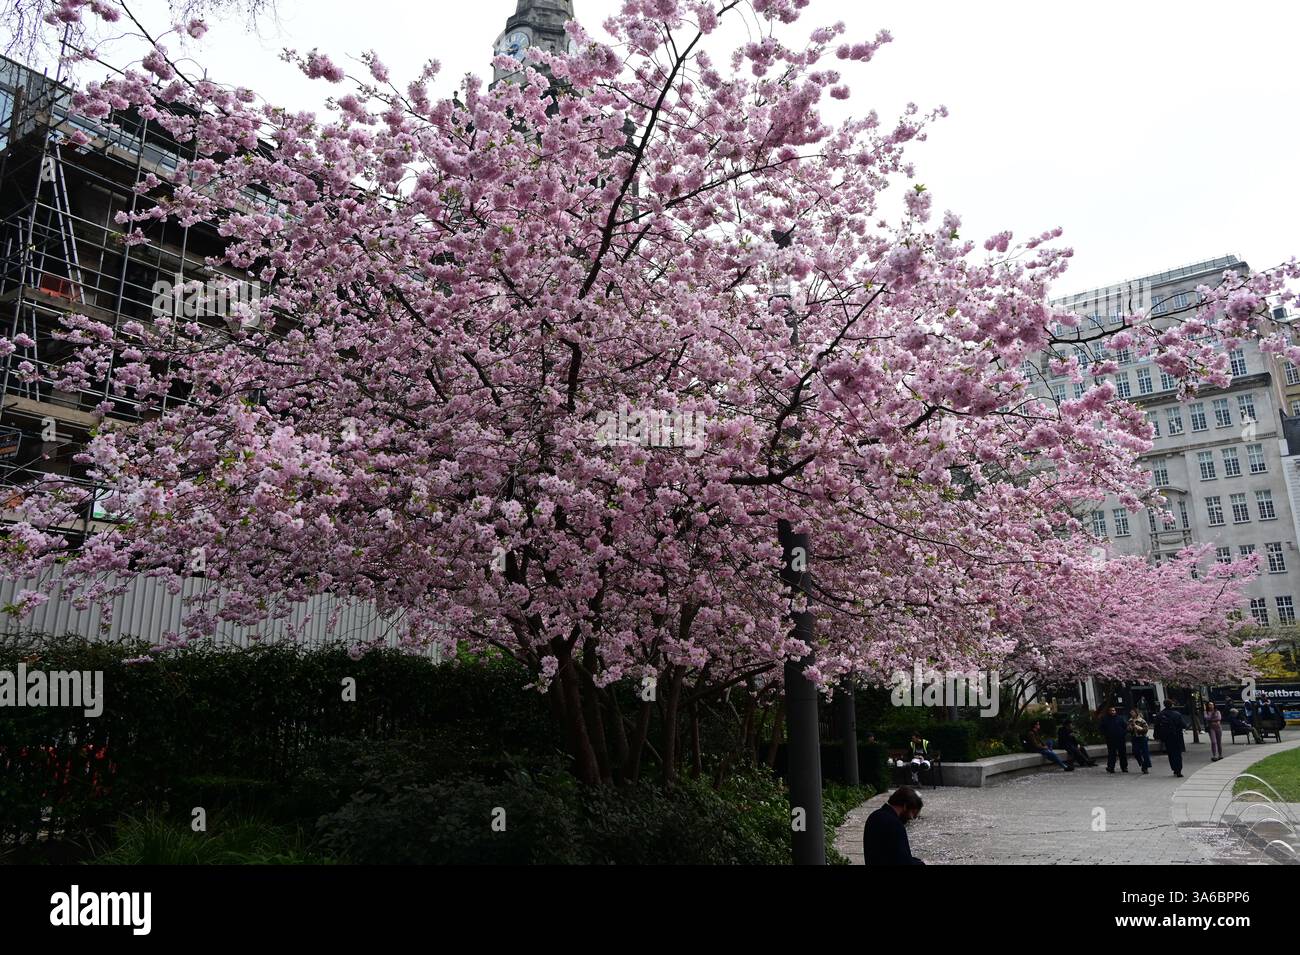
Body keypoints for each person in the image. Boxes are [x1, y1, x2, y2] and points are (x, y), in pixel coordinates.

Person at [863, 786, 925, 865]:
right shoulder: (895, 825)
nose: (911, 818)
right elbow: (903, 861)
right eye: (912, 813)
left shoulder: (874, 816)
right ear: (905, 806)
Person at [1153, 699, 1188, 777]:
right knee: (1178, 753)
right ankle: (1178, 769)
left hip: (1167, 737)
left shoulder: (1160, 715)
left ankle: (1174, 768)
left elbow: (1156, 727)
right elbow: (1183, 725)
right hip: (1177, 736)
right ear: (1171, 705)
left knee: (1171, 753)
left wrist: (1156, 736)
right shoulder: (1177, 714)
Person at [1099, 706, 1129, 773]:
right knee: (1112, 754)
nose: (1113, 712)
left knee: (1122, 754)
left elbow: (1125, 726)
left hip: (1120, 739)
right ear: (1108, 711)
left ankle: (1124, 767)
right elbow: (1101, 728)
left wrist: (1123, 733)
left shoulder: (1119, 718)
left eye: (1114, 710)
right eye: (1111, 710)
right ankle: (1111, 767)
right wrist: (1106, 735)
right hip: (1111, 739)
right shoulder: (1105, 719)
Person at [1127, 707, 1152, 774]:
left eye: (1132, 712)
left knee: (1145, 753)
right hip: (1134, 738)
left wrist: (1138, 728)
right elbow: (1128, 730)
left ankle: (1145, 767)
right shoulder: (1130, 721)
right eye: (1131, 712)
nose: (1131, 713)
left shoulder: (1142, 720)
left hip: (1142, 738)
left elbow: (1146, 729)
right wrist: (1130, 728)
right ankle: (1141, 762)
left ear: (1136, 713)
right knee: (1135, 751)